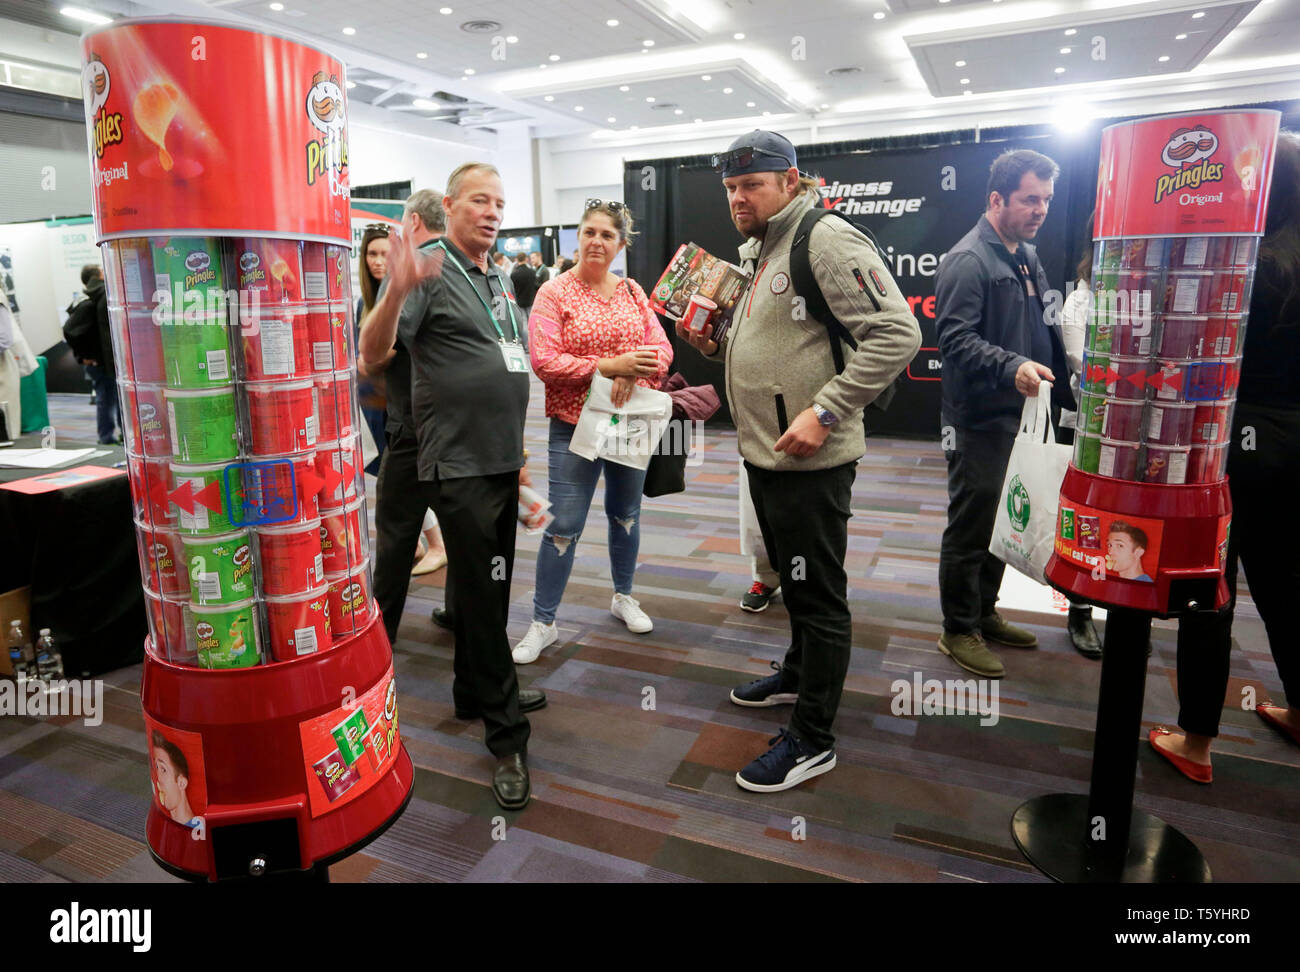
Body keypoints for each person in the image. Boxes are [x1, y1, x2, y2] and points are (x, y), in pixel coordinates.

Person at [677, 130, 921, 792]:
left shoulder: (824, 238)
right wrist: (709, 344)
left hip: (812, 460)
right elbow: (774, 344)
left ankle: (813, 739)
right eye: (730, 188)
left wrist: (828, 410)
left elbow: (899, 333)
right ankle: (798, 674)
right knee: (791, 579)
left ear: (791, 180)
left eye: (751, 185)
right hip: (768, 454)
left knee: (819, 597)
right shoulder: (762, 247)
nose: (738, 198)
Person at [359, 163, 542, 810]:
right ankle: (506, 735)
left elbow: (506, 358)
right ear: (451, 205)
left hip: (496, 456)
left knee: (481, 585)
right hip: (455, 461)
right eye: (479, 201)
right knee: (487, 597)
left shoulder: (495, 273)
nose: (492, 212)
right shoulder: (429, 268)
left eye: (500, 201)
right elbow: (370, 355)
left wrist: (517, 460)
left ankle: (476, 689)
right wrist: (394, 292)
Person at [1150, 130, 1300, 784]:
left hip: (1232, 439)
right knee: (1286, 584)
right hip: (1294, 443)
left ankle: (1196, 740)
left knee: (1209, 588)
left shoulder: (1244, 264)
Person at [934, 149, 1076, 679]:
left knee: (1001, 523)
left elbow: (1042, 327)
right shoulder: (968, 260)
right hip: (978, 420)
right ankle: (956, 628)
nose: (1040, 209)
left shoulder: (1024, 254)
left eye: (1046, 200)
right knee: (971, 525)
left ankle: (983, 613)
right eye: (1029, 199)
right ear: (997, 199)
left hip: (1021, 418)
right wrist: (1011, 365)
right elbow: (953, 340)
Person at [513, 200, 673, 664]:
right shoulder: (554, 293)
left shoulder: (632, 292)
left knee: (626, 513)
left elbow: (660, 350)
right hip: (573, 427)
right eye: (589, 232)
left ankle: (623, 595)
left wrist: (631, 372)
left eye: (607, 234)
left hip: (630, 423)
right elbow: (545, 362)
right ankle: (543, 621)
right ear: (577, 238)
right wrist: (610, 366)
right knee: (563, 525)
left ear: (621, 244)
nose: (596, 241)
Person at [361, 192, 452, 648]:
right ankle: (456, 617)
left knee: (395, 544)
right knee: (466, 537)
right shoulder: (468, 270)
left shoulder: (413, 274)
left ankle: (379, 642)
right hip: (456, 431)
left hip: (413, 431)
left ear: (412, 221)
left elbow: (373, 356)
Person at [1054, 222, 1106, 659]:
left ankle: (1126, 611)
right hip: (1086, 427)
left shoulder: (1144, 298)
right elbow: (1084, 366)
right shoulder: (1079, 300)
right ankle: (1080, 607)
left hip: (1137, 436)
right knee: (1086, 520)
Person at [63, 264, 119, 444]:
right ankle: (108, 437)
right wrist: (84, 355)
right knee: (108, 399)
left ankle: (110, 436)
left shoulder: (88, 297)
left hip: (98, 361)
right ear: (98, 276)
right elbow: (70, 331)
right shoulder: (96, 299)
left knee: (110, 399)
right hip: (101, 361)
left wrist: (82, 355)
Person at [151, 731, 199, 828]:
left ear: (181, 783)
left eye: (163, 769)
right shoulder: (167, 825)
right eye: (156, 767)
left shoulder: (198, 832)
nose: (158, 778)